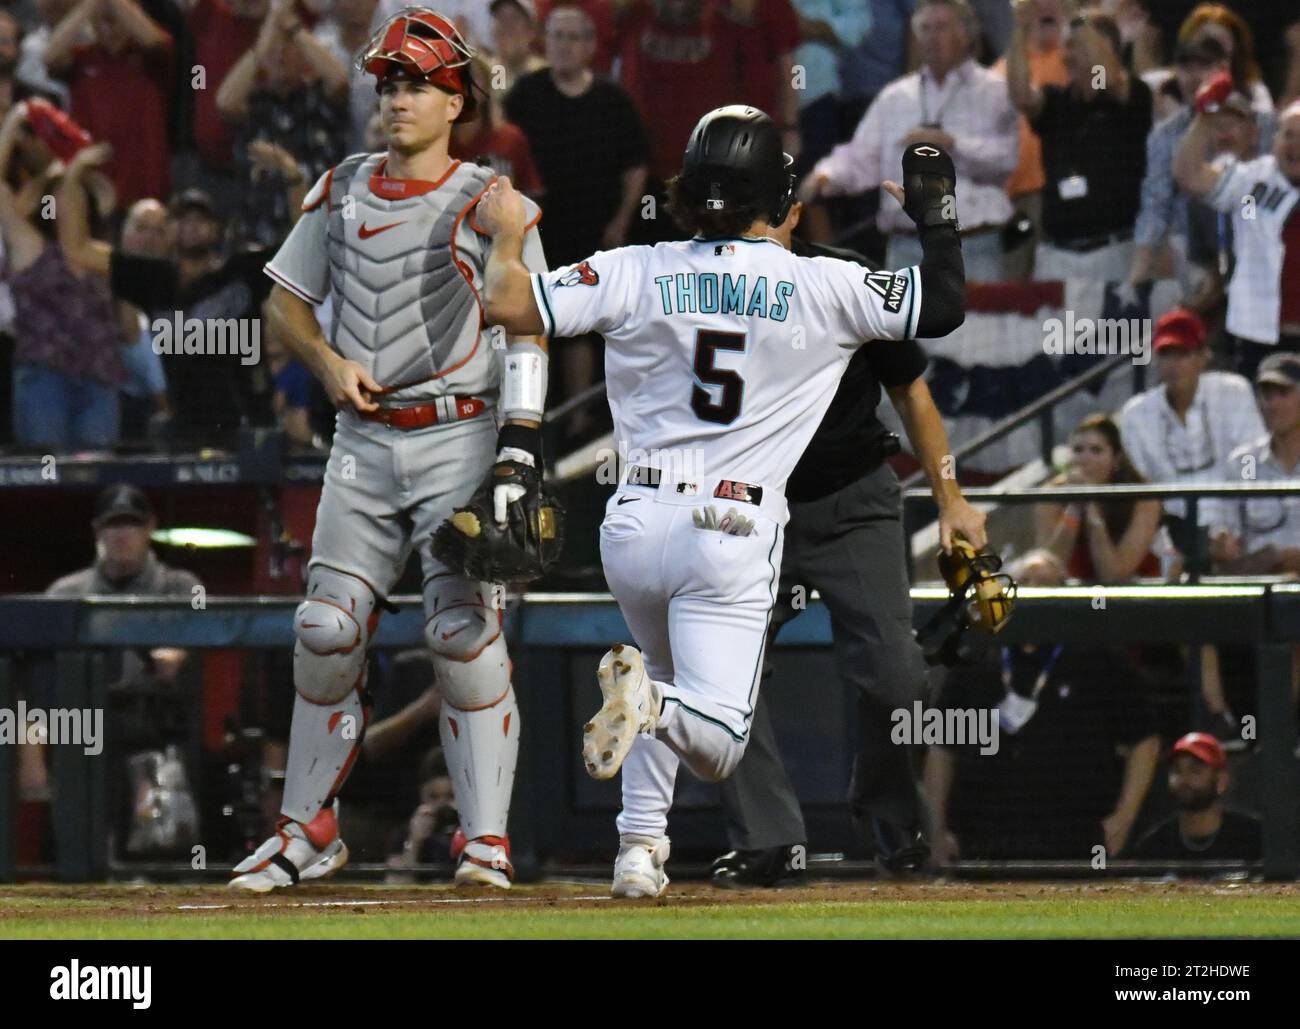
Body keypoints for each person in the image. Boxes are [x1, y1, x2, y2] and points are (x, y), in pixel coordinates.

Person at [477, 104, 968, 896]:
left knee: (657, 669)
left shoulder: (635, 266)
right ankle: (653, 709)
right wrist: (934, 215)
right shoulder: (823, 282)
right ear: (782, 201)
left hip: (633, 522)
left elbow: (507, 303)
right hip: (731, 524)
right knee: (713, 734)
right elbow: (941, 304)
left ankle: (639, 849)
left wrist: (507, 233)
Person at [227, 8, 552, 892]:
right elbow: (283, 301)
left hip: (460, 432)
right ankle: (306, 830)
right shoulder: (339, 186)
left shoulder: (494, 201)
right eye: (390, 84)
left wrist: (520, 449)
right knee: (324, 629)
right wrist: (328, 363)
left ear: (457, 101)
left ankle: (485, 841)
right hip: (363, 440)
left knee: (461, 632)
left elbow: (529, 328)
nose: (398, 98)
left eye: (418, 84)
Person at [708, 198, 987, 888]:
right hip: (747, 510)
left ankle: (894, 817)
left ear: (794, 215)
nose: (752, 231)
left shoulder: (845, 277)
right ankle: (767, 839)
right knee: (720, 672)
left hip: (852, 500)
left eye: (764, 215)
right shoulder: (699, 285)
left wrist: (950, 498)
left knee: (899, 675)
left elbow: (912, 393)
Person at [925, 549, 1161, 863]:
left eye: (1046, 582)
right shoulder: (977, 657)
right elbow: (941, 748)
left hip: (1074, 839)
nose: (1034, 590)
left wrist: (1125, 816)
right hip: (985, 838)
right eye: (1025, 581)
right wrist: (936, 827)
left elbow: (1144, 739)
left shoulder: (1097, 658)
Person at [802, 0, 1018, 282]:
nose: (932, 37)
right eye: (925, 29)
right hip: (904, 249)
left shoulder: (995, 91)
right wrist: (825, 175)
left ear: (967, 34)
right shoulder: (895, 96)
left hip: (972, 245)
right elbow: (860, 156)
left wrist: (952, 144)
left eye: (942, 28)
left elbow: (1005, 158)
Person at [0, 100, 124, 450]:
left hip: (100, 377)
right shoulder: (30, 246)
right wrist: (15, 121)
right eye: (61, 194)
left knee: (96, 475)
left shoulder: (98, 251)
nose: (69, 199)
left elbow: (105, 191)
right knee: (48, 474)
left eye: (75, 194)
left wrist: (75, 162)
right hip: (45, 378)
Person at [1007, 5, 1152, 284]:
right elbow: (1021, 96)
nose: (1067, 55)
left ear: (1107, 49)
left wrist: (1075, 14)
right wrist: (1019, 30)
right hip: (1057, 255)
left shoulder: (1129, 97)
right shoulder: (1056, 101)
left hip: (1112, 250)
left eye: (1077, 45)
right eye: (1067, 46)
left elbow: (1105, 76)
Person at [1173, 95, 1300, 380]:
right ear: (1273, 140)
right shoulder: (1252, 180)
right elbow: (1189, 174)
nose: (1295, 145)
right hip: (1259, 338)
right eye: (1288, 135)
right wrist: (1205, 116)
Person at [1118, 307, 1263, 532]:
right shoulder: (1136, 413)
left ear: (1204, 356)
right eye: (1166, 354)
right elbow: (1139, 486)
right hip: (1167, 530)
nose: (1173, 364)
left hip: (1235, 522)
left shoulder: (1233, 391)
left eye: (1183, 354)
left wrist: (1245, 512)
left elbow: (1251, 458)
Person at [45, 0, 173, 207]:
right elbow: (50, 57)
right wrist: (89, 6)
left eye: (115, 17)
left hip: (144, 183)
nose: (109, 24)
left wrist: (117, 5)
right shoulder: (83, 58)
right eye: (103, 18)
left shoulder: (150, 58)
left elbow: (154, 41)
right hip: (94, 186)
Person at [1036, 413, 1163, 583]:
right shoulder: (1051, 496)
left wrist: (1093, 514)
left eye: (1096, 451)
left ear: (1116, 459)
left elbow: (1113, 576)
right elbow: (1049, 570)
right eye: (1078, 450)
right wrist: (1074, 509)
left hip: (1133, 592)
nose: (1084, 459)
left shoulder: (1144, 500)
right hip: (1073, 592)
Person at [1129, 731, 1261, 865]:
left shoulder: (1253, 837)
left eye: (1195, 770)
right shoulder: (1154, 846)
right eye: (1176, 770)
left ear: (1221, 780)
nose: (1184, 779)